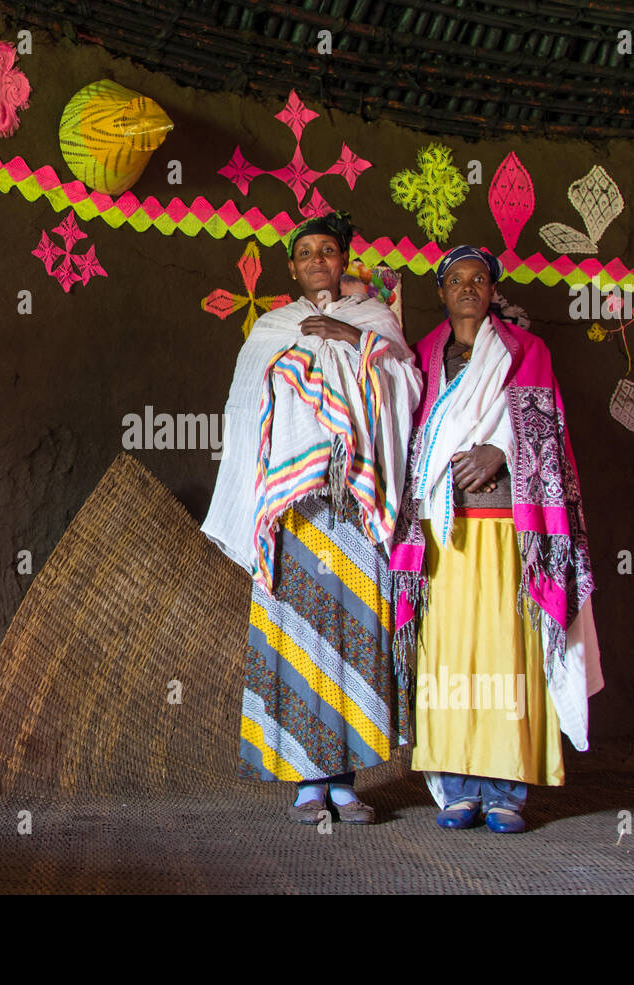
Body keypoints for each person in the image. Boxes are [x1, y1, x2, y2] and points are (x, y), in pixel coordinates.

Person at [202, 212, 422, 824]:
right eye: (307, 252)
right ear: (292, 267)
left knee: (354, 637)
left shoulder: (375, 322)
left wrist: (351, 342)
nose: (319, 259)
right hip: (295, 512)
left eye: (329, 250)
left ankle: (347, 784)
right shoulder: (273, 328)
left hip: (354, 507)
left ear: (344, 259)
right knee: (296, 640)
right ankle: (306, 781)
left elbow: (407, 387)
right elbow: (247, 414)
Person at [387, 245, 603, 833]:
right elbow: (403, 434)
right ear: (441, 291)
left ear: (492, 289)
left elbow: (544, 433)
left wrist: (499, 452)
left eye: (477, 279)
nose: (466, 288)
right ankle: (457, 786)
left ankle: (505, 790)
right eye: (455, 279)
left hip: (509, 525)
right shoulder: (422, 355)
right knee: (450, 655)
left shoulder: (526, 351)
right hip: (441, 526)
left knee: (510, 653)